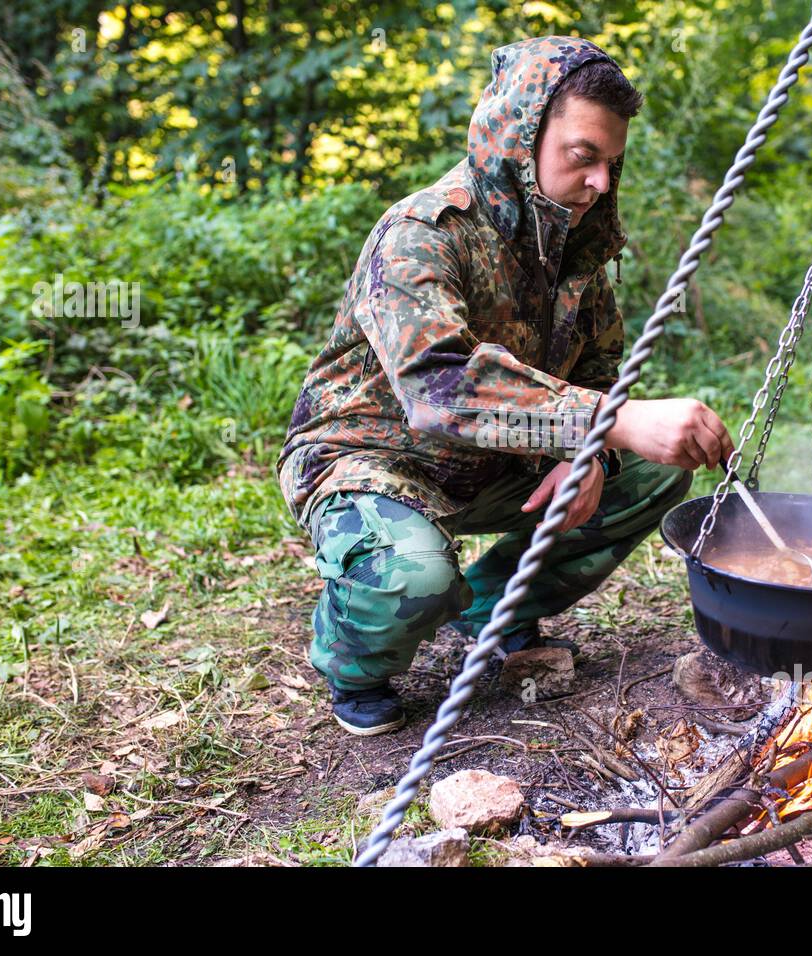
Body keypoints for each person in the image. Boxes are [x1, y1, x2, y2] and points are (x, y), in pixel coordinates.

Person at [276, 35, 734, 735]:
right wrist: (607, 422)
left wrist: (587, 456)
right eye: (584, 156)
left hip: (496, 460)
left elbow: (593, 370)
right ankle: (353, 664)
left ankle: (490, 605)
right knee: (412, 577)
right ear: (519, 139)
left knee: (651, 470)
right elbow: (439, 387)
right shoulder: (424, 232)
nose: (602, 183)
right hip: (370, 459)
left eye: (613, 163)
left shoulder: (576, 244)